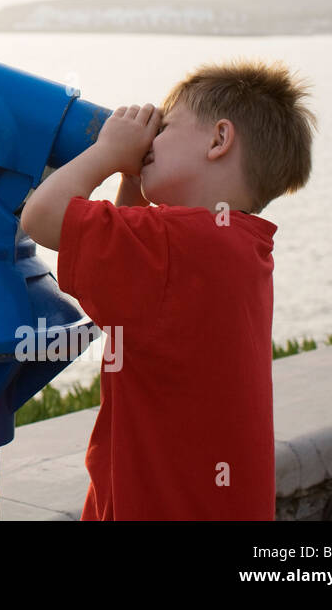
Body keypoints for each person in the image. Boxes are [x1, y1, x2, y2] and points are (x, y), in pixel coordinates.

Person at [20, 57, 317, 520]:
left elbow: (42, 216)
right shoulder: (234, 245)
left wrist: (107, 152)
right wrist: (133, 178)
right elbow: (125, 294)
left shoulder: (177, 243)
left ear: (219, 139)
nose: (149, 139)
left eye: (165, 127)